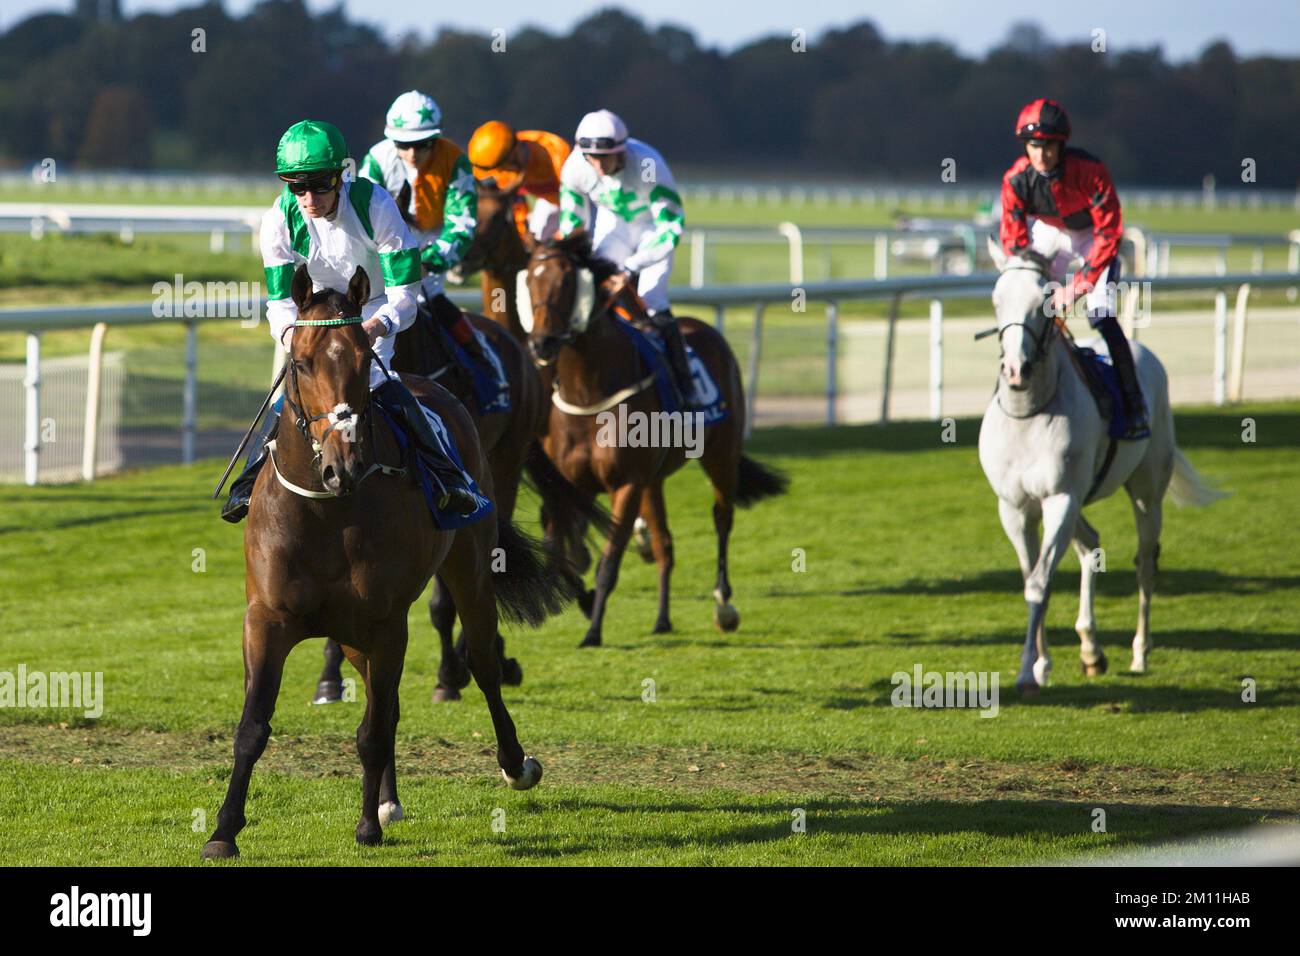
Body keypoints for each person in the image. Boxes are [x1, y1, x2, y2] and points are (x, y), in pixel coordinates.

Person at [221, 119, 479, 522]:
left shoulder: (376, 205)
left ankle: (449, 477)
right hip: (315, 316)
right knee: (293, 389)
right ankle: (249, 481)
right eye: (296, 186)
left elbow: (405, 295)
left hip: (371, 305)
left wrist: (379, 325)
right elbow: (278, 303)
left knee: (378, 383)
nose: (308, 198)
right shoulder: (278, 219)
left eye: (319, 185)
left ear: (342, 175)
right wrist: (294, 337)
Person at [1000, 97, 1149, 438]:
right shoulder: (1016, 179)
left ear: (1062, 145)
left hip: (1093, 238)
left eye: (1049, 146)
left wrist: (1078, 286)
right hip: (1052, 235)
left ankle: (1134, 401)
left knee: (1100, 316)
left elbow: (1110, 232)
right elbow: (1014, 239)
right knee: (1030, 306)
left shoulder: (1090, 171)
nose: (1041, 155)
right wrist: (1028, 271)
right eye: (1034, 146)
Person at [358, 90, 504, 396]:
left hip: (431, 248)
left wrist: (427, 262)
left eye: (422, 144)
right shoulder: (376, 159)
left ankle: (489, 374)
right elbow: (361, 219)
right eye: (404, 144)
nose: (412, 153)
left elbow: (462, 226)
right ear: (391, 140)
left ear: (435, 139)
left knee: (435, 302)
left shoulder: (455, 161)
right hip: (384, 248)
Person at [556, 109, 694, 406]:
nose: (598, 166)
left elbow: (671, 227)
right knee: (596, 294)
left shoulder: (647, 163)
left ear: (622, 151)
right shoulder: (574, 168)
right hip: (613, 224)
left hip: (653, 229)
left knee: (651, 298)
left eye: (605, 157)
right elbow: (572, 227)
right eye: (591, 157)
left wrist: (630, 269)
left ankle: (685, 384)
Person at [467, 120, 571, 241]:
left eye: (508, 164)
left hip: (572, 199)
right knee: (536, 237)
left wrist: (563, 234)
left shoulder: (555, 153)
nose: (507, 171)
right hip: (543, 201)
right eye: (501, 168)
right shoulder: (491, 170)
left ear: (516, 147)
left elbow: (575, 198)